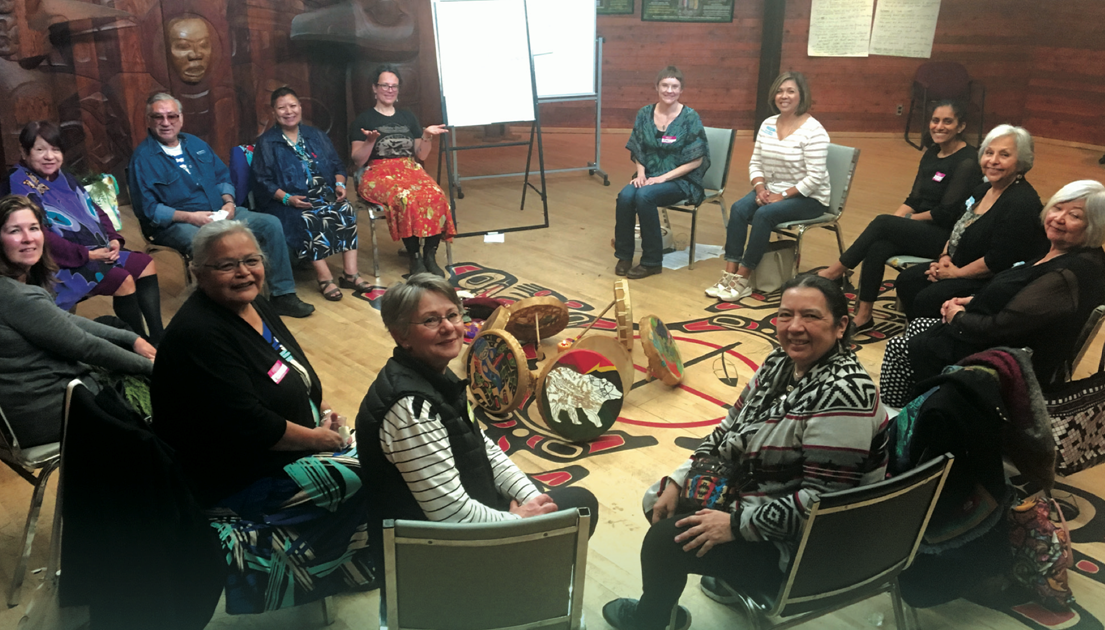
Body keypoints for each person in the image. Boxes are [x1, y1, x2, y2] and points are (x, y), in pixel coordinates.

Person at [603, 275, 888, 630]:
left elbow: (823, 504)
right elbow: (728, 428)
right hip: (764, 495)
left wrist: (736, 526)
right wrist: (679, 479)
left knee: (666, 541)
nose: (794, 327)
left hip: (805, 549)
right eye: (785, 314)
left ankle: (651, 619)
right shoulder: (780, 362)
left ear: (841, 325)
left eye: (811, 316)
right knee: (662, 500)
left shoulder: (845, 395)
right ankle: (722, 579)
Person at [151, 220, 373, 613]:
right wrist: (322, 439)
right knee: (371, 470)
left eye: (251, 260)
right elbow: (252, 426)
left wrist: (322, 412)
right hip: (237, 478)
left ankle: (347, 560)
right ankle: (324, 570)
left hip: (279, 449)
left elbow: (291, 369)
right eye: (226, 265)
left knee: (376, 453)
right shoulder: (199, 334)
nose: (243, 272)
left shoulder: (252, 304)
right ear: (197, 272)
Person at [355, 273, 599, 570]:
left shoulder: (434, 373)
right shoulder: (411, 408)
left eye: (452, 315)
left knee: (559, 504)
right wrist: (518, 520)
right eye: (430, 320)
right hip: (435, 559)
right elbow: (452, 516)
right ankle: (513, 589)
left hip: (461, 525)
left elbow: (483, 448)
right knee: (580, 506)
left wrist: (533, 501)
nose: (448, 327)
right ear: (400, 335)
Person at [880, 181, 1105, 407]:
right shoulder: (1061, 251)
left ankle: (904, 416)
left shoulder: (1066, 274)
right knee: (918, 326)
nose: (1058, 218)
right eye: (1057, 208)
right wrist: (972, 301)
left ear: (1094, 225)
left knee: (899, 348)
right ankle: (919, 405)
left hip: (1008, 361)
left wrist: (958, 317)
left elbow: (1000, 328)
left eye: (1074, 215)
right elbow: (1022, 300)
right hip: (999, 339)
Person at [0, 195, 155, 448]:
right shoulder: (15, 296)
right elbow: (86, 347)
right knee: (159, 388)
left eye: (34, 228)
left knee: (112, 326)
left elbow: (61, 320)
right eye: (15, 231)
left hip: (11, 407)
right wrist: (154, 368)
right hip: (47, 415)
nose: (28, 238)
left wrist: (132, 338)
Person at [128, 92, 314, 318]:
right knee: (209, 242)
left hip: (219, 211)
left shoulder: (196, 144)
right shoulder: (143, 159)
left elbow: (222, 177)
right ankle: (224, 305)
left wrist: (229, 202)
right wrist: (190, 217)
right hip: (177, 223)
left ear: (181, 118)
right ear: (149, 120)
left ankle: (282, 295)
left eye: (172, 116)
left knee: (270, 224)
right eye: (158, 117)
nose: (166, 123)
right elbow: (148, 210)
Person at [817, 102, 981, 333]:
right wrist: (897, 222)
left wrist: (905, 221)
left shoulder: (967, 161)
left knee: (883, 223)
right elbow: (914, 198)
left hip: (946, 237)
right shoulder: (932, 153)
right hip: (921, 228)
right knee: (879, 245)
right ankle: (864, 315)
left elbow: (946, 212)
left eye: (947, 121)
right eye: (935, 120)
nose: (939, 126)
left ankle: (833, 273)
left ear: (961, 126)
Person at [0, 120, 164, 342]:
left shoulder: (64, 177)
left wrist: (114, 239)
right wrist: (87, 255)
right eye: (40, 150)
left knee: (145, 264)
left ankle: (158, 338)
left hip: (92, 252)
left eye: (55, 149)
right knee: (122, 279)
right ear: (24, 152)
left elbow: (94, 210)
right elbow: (40, 237)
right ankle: (139, 344)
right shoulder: (18, 182)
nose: (49, 156)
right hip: (52, 264)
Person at [893, 124, 1047, 320]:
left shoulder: (1021, 203)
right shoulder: (983, 190)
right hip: (958, 264)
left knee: (928, 297)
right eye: (989, 153)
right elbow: (958, 226)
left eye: (1004, 155)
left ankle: (939, 335)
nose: (993, 161)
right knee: (907, 280)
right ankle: (917, 332)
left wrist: (955, 274)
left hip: (990, 280)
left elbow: (998, 260)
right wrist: (944, 259)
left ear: (1021, 162)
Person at [707, 72, 831, 303]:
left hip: (809, 197)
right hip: (772, 189)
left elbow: (815, 177)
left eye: (791, 91)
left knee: (764, 215)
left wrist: (781, 196)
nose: (784, 96)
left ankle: (743, 278)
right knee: (738, 209)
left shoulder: (814, 131)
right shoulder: (767, 124)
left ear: (801, 95)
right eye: (780, 91)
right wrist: (760, 188)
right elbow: (756, 162)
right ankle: (729, 273)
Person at [252, 86, 370, 302]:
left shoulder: (316, 135)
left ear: (300, 107)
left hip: (323, 192)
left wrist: (340, 184)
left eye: (293, 106)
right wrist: (287, 198)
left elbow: (337, 165)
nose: (289, 111)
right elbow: (262, 180)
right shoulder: (267, 142)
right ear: (274, 112)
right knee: (309, 217)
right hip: (287, 201)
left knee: (345, 209)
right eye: (282, 108)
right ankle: (324, 277)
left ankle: (350, 274)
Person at [350, 64, 454, 278]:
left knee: (436, 195)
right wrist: (370, 141)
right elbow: (358, 160)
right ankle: (414, 255)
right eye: (385, 85)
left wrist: (426, 135)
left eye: (394, 86)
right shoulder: (363, 120)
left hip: (408, 168)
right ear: (374, 88)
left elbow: (421, 155)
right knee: (404, 197)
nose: (390, 90)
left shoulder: (408, 117)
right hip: (377, 172)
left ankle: (430, 254)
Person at [614, 66, 709, 279]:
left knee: (644, 196)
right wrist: (640, 173)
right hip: (649, 176)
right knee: (626, 196)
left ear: (681, 90)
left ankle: (652, 261)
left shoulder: (690, 117)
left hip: (681, 179)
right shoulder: (644, 114)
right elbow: (639, 149)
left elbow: (696, 160)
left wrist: (662, 178)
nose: (669, 90)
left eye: (674, 86)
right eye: (665, 85)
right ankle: (624, 256)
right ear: (657, 87)